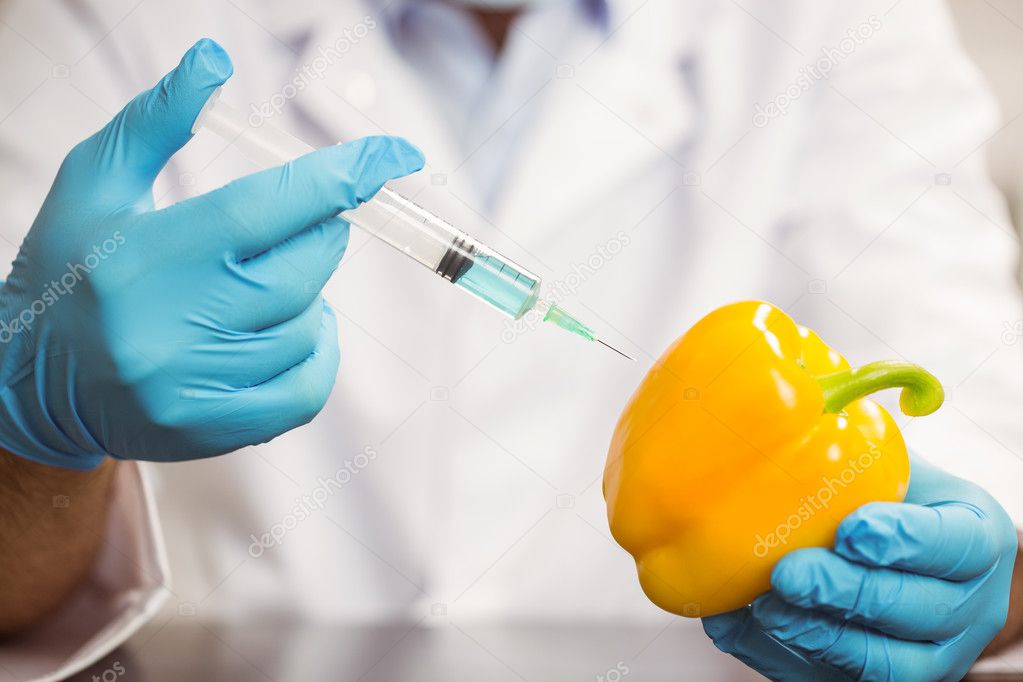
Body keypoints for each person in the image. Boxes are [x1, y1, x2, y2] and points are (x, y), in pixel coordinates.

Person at [0, 0, 1021, 679]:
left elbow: (983, 411)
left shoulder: (839, 20)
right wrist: (33, 426)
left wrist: (969, 574)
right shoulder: (101, 21)